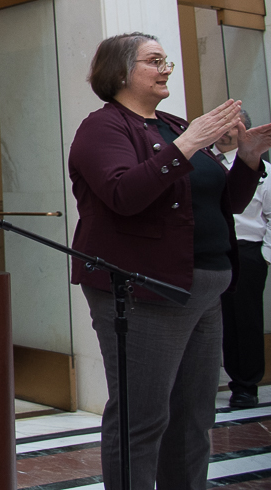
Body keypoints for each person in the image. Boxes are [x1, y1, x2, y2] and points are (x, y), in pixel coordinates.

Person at [67, 32, 271, 489]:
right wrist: (187, 145)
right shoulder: (103, 128)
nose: (165, 69)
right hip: (146, 290)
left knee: (194, 418)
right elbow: (123, 194)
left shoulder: (174, 125)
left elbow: (228, 203)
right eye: (154, 61)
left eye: (166, 61)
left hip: (206, 288)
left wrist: (249, 160)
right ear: (120, 71)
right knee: (142, 418)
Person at [214, 110, 271, 409]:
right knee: (214, 320)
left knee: (245, 321)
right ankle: (214, 380)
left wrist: (265, 253)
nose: (223, 133)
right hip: (214, 251)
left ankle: (246, 386)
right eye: (219, 127)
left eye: (231, 128)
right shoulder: (205, 163)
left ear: (245, 132)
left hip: (248, 251)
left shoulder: (262, 169)